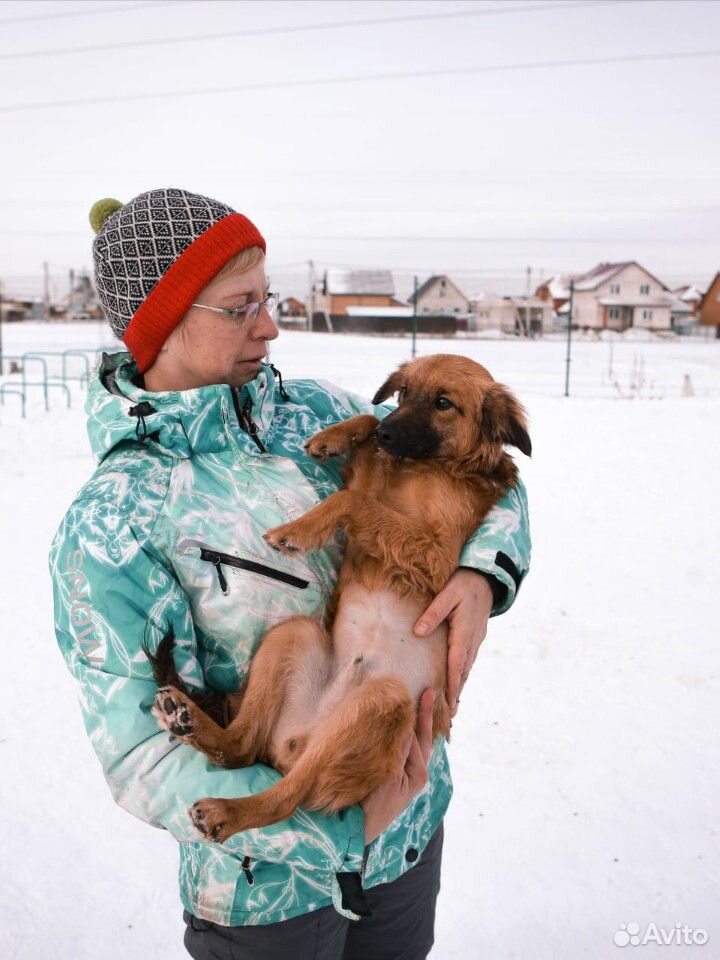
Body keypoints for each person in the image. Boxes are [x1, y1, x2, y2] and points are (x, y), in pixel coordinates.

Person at [49, 188, 531, 959]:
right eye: (242, 306)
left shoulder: (314, 412)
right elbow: (141, 758)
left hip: (406, 836)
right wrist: (334, 825)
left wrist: (483, 572)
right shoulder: (114, 517)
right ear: (164, 321)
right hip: (268, 898)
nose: (271, 326)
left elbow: (484, 473)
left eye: (268, 298)